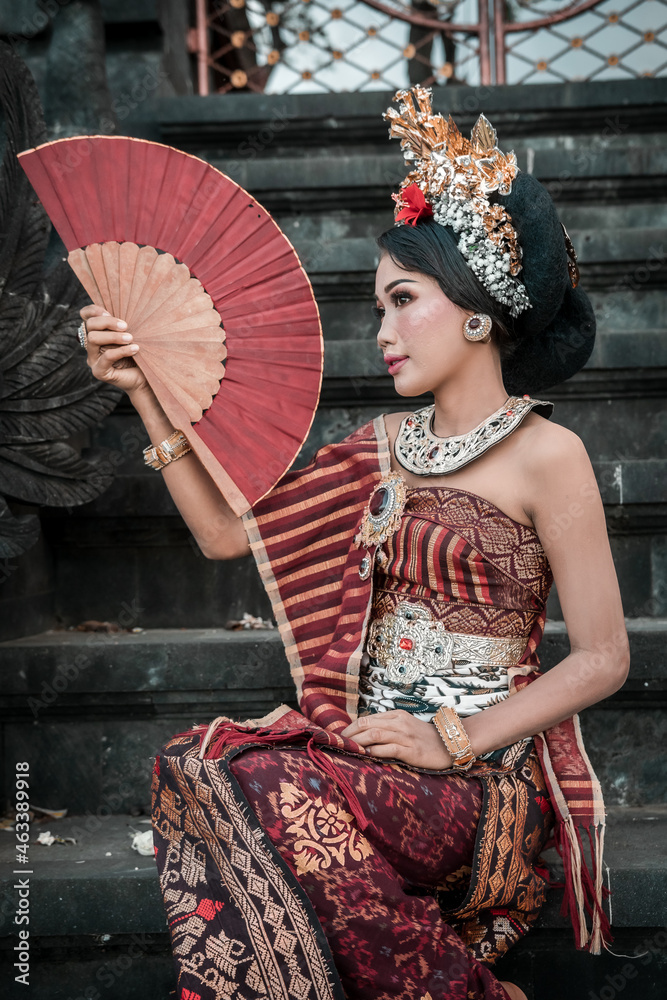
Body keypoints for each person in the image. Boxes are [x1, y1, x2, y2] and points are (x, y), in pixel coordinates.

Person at [80, 88, 629, 1000]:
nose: (379, 332)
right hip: (362, 759)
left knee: (265, 792)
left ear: (476, 309)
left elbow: (604, 658)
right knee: (198, 766)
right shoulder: (377, 453)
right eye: (377, 306)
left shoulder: (548, 455)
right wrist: (143, 387)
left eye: (402, 301)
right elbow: (224, 535)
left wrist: (449, 737)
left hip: (476, 781)